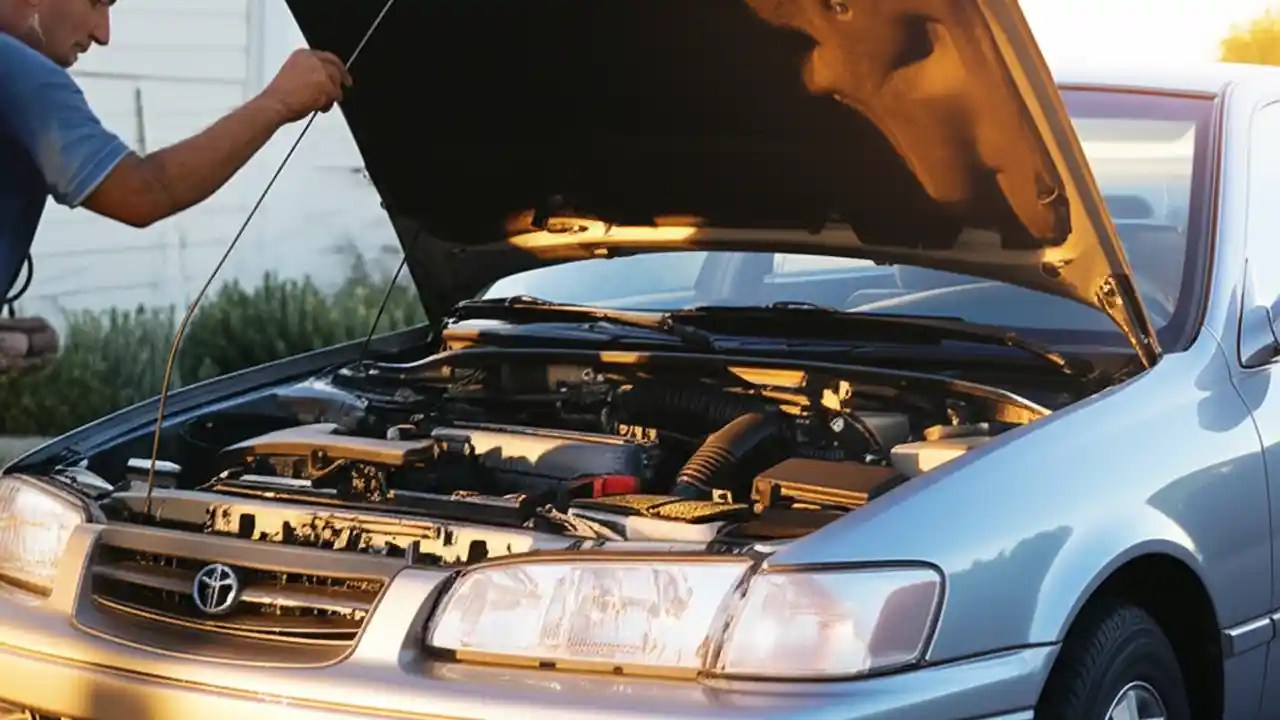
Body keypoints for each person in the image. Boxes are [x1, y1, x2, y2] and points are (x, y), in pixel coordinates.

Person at [0, 0, 354, 301]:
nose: (103, 33)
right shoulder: (21, 72)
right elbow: (144, 193)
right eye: (97, 1)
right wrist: (278, 102)